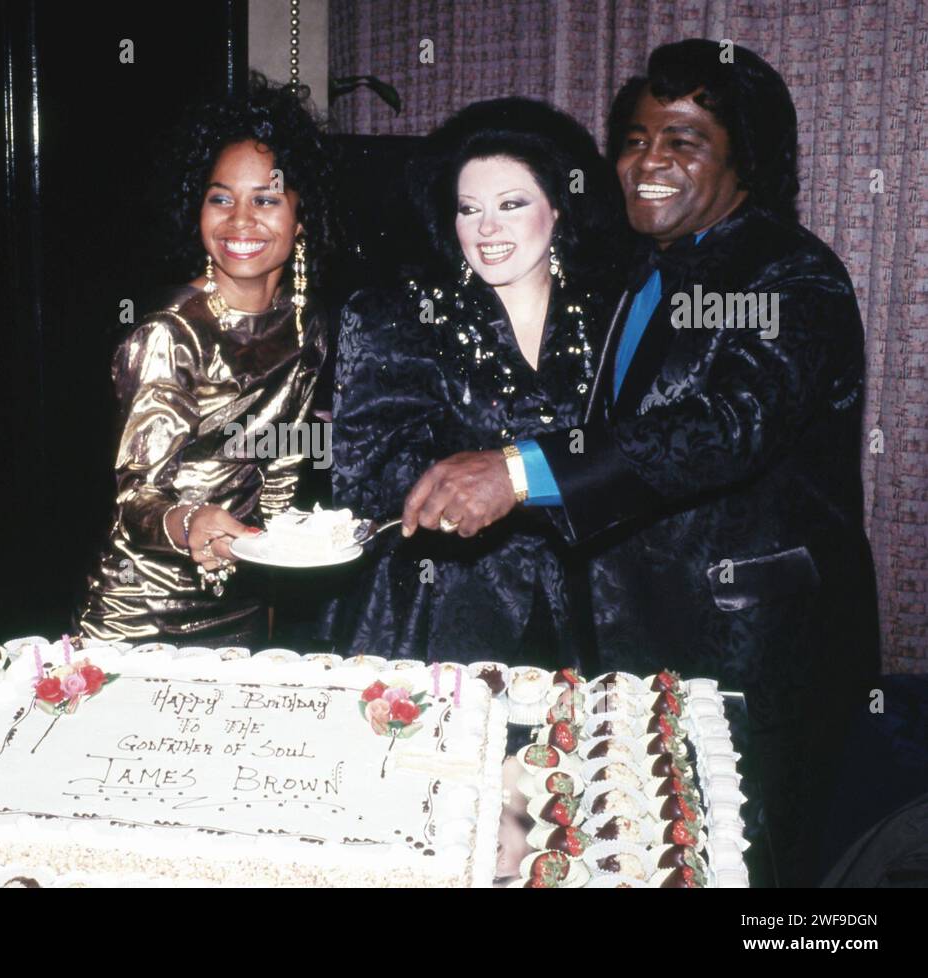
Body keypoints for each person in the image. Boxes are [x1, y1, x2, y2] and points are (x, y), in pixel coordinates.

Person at [401, 40, 879, 886]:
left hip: (756, 659)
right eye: (633, 138)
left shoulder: (791, 275)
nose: (646, 161)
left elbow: (725, 427)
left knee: (750, 865)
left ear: (747, 159)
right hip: (641, 641)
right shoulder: (641, 267)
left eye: (683, 140)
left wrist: (515, 471)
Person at [324, 98, 624, 665]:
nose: (487, 227)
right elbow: (363, 484)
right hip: (444, 610)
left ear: (558, 208)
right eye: (469, 209)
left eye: (512, 204)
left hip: (590, 607)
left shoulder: (613, 310)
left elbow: (641, 453)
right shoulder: (398, 317)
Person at [77, 77, 335, 646]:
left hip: (240, 599)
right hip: (142, 613)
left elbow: (282, 462)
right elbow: (136, 496)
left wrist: (272, 563)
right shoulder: (172, 335)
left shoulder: (306, 325)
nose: (240, 221)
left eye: (265, 199)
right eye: (221, 198)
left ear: (300, 216)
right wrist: (190, 522)